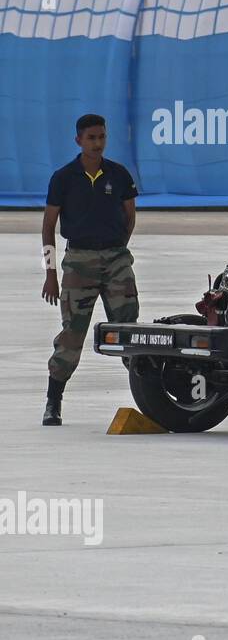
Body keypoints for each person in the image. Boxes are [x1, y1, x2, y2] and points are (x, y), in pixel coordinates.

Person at [41, 114, 140, 426]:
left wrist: (117, 250)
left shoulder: (119, 174)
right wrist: (51, 274)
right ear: (79, 141)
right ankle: (53, 402)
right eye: (91, 138)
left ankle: (150, 395)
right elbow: (48, 226)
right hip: (78, 262)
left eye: (102, 137)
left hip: (116, 261)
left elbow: (130, 217)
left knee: (129, 331)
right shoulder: (63, 178)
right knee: (71, 334)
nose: (98, 143)